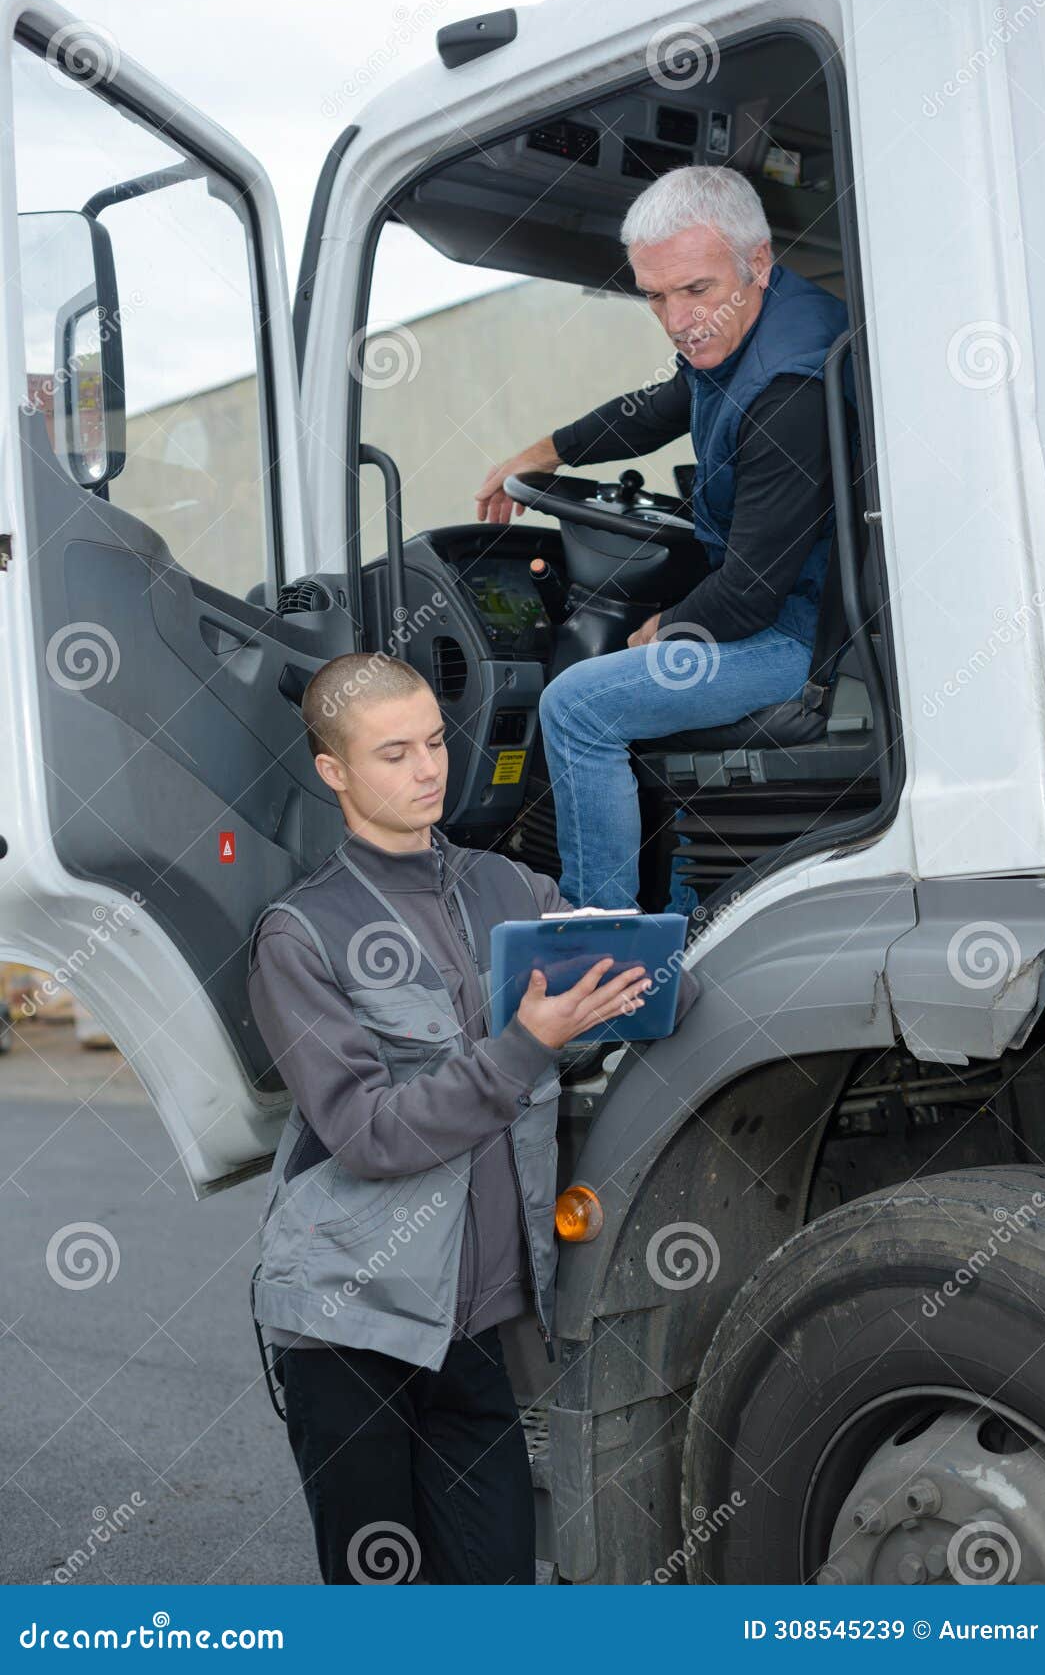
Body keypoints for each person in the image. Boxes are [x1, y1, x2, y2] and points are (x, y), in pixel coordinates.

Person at [246, 653, 698, 1584]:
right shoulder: (301, 933)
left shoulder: (512, 890)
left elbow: (647, 995)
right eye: (394, 752)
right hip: (352, 1327)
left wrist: (650, 977)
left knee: (495, 1590)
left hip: (474, 1330)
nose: (428, 770)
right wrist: (526, 1044)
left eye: (436, 741)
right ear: (334, 770)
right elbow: (370, 1134)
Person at [475, 165, 853, 912]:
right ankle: (678, 914)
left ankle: (598, 951)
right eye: (655, 296)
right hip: (794, 607)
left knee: (579, 706)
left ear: (759, 262)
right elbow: (660, 406)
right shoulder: (760, 326)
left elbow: (746, 594)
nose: (679, 322)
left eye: (696, 290)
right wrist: (542, 452)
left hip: (802, 638)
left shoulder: (787, 388)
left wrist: (666, 628)